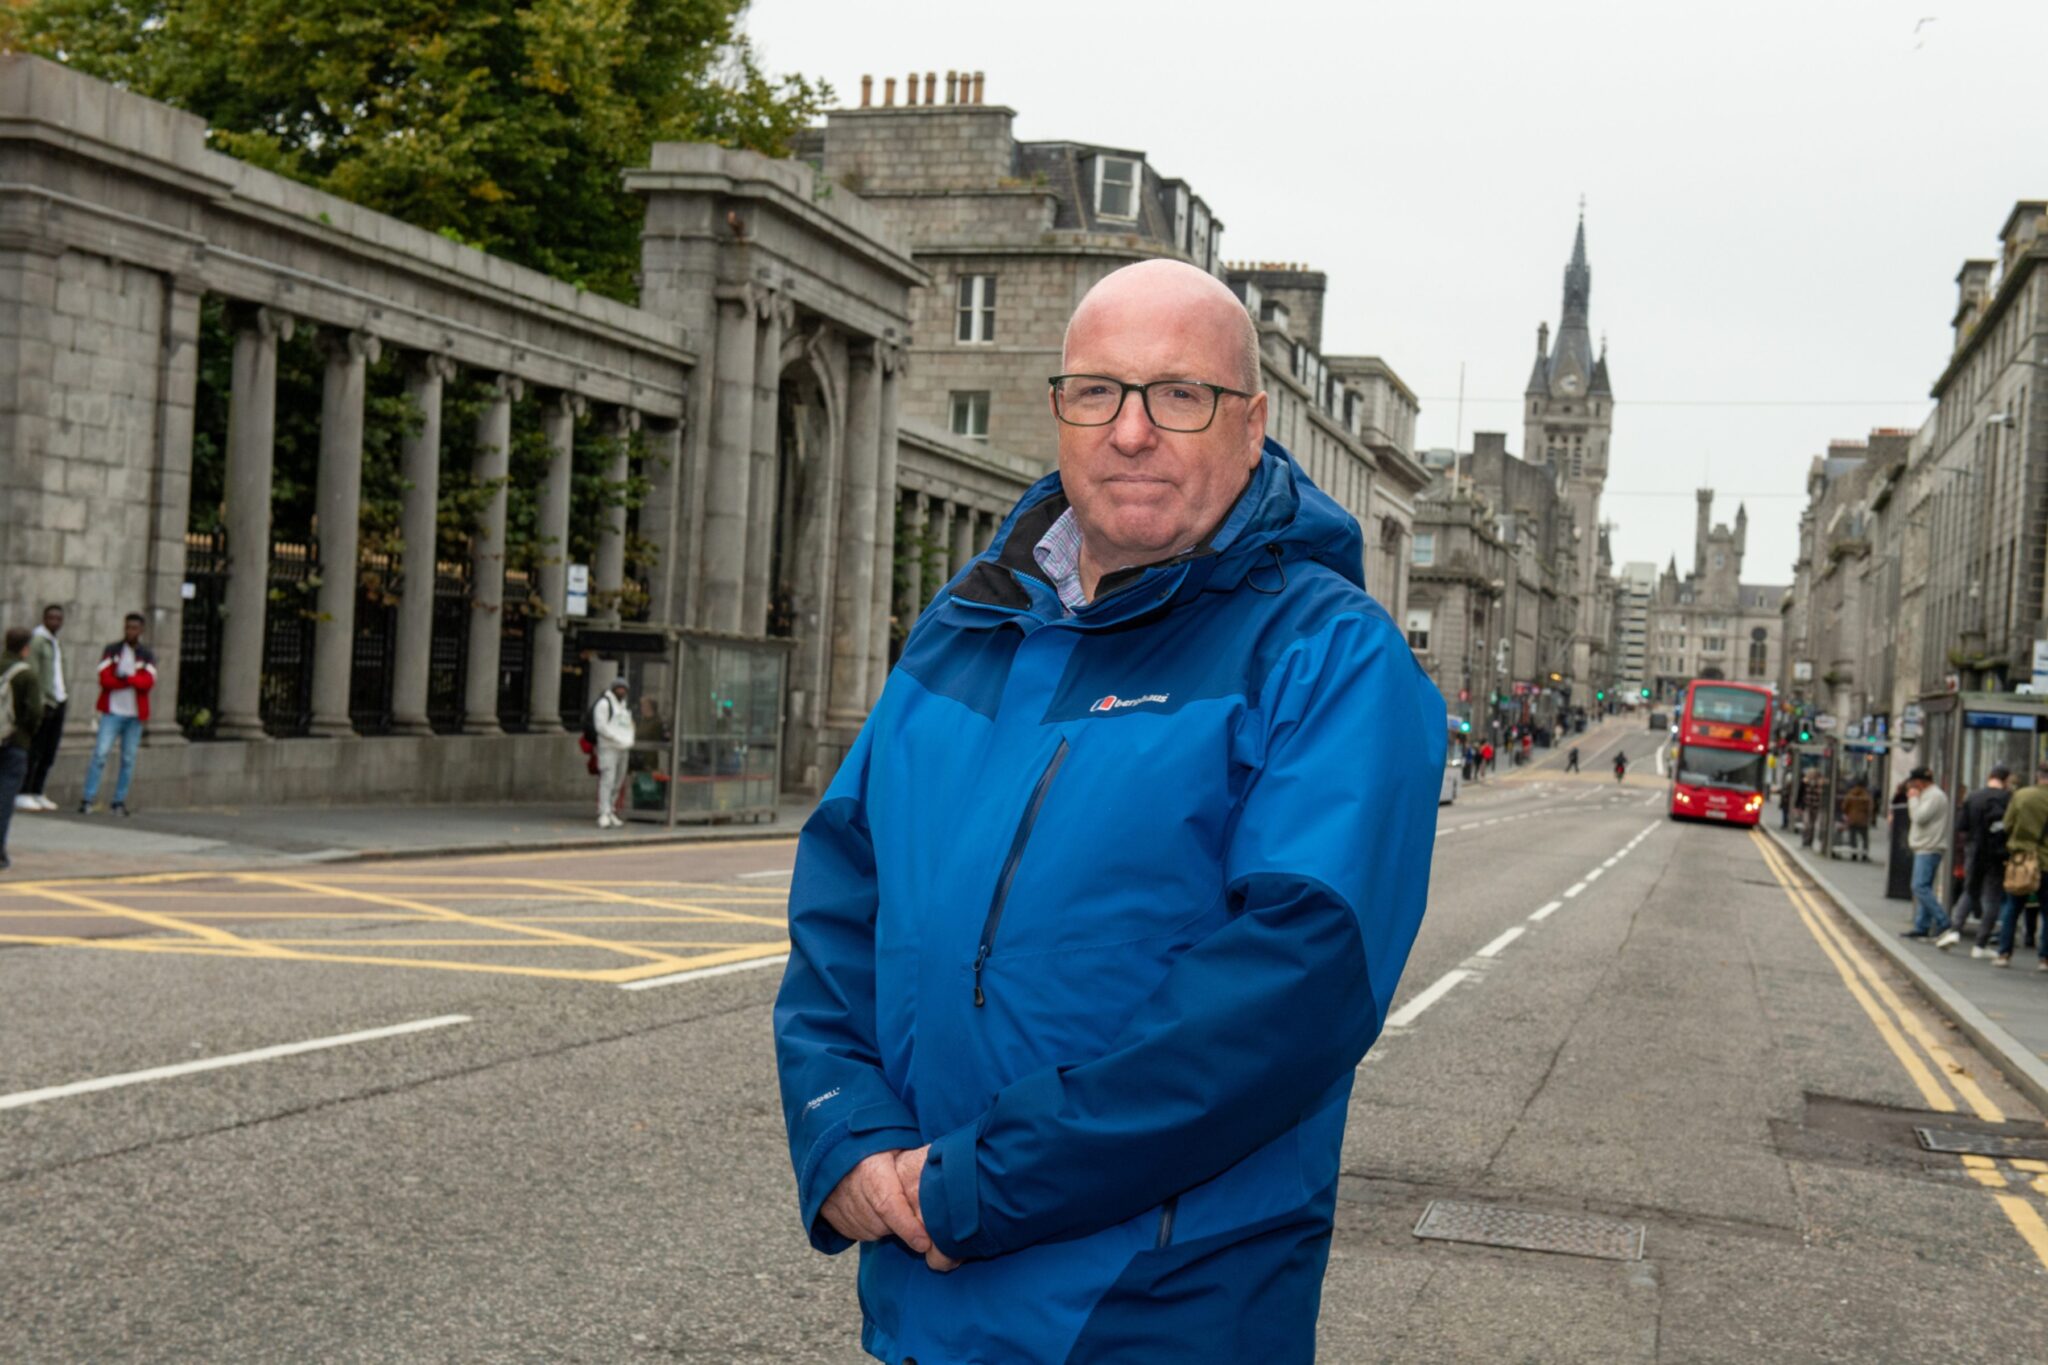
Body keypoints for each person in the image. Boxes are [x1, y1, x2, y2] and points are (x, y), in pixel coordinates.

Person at [773, 259, 1440, 1364]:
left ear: (1251, 423)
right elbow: (841, 900)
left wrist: (977, 1186)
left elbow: (1287, 990)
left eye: (1178, 395)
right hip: (920, 1306)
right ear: (1058, 411)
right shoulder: (965, 630)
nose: (1131, 431)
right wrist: (845, 1137)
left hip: (1157, 1315)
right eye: (1097, 392)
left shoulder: (1328, 653)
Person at [78, 612, 154, 817]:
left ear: (141, 630)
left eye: (135, 628)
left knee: (128, 758)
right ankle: (88, 798)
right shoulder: (112, 650)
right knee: (100, 754)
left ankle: (118, 801)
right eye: (128, 627)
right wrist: (129, 680)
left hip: (134, 714)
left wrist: (127, 678)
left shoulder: (146, 654)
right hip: (112, 711)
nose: (131, 631)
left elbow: (147, 682)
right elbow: (105, 679)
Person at [1943, 765, 2012, 950]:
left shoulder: (1973, 797)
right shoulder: (2007, 798)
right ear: (2005, 780)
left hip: (1974, 851)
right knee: (1992, 897)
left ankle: (1955, 930)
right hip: (1997, 854)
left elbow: (1962, 826)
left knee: (1970, 890)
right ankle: (1980, 944)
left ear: (1990, 776)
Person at [1989, 765, 2048, 970]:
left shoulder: (2022, 796)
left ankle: (2004, 954)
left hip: (2022, 861)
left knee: (2012, 908)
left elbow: (2007, 824)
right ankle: (2044, 959)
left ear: (2037, 776)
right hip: (2047, 862)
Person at [0, 627, 46, 870]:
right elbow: (35, 712)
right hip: (14, 743)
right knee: (4, 799)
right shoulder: (26, 675)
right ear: (26, 648)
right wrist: (25, 732)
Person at [20, 604, 66, 812]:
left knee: (49, 751)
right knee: (36, 750)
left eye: (58, 618)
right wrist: (40, 701)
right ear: (44, 618)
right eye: (51, 618)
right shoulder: (38, 641)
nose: (55, 622)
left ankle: (38, 790)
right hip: (45, 702)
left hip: (58, 699)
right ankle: (24, 791)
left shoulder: (55, 642)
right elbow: (35, 674)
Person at [1902, 766, 1952, 940]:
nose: (1911, 786)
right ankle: (1922, 925)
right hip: (1927, 846)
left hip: (1928, 848)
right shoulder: (1932, 795)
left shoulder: (1934, 796)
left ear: (1920, 782)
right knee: (1925, 887)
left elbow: (1919, 817)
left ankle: (1943, 920)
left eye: (1913, 782)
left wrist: (1913, 799)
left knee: (1919, 886)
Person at [591, 677, 635, 829]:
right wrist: (616, 739)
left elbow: (627, 726)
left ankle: (611, 810)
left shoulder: (623, 706)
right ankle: (603, 812)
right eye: (619, 688)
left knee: (618, 780)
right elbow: (601, 727)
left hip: (623, 748)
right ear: (614, 689)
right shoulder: (604, 704)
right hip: (609, 748)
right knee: (607, 780)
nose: (621, 691)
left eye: (624, 689)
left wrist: (628, 740)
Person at [1840, 778, 1874, 862]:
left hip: (1852, 818)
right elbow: (1870, 808)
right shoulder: (1866, 795)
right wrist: (1869, 816)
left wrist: (1848, 813)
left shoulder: (1851, 793)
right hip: (1863, 819)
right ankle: (1864, 855)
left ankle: (1854, 854)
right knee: (1864, 838)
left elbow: (1844, 806)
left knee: (1853, 837)